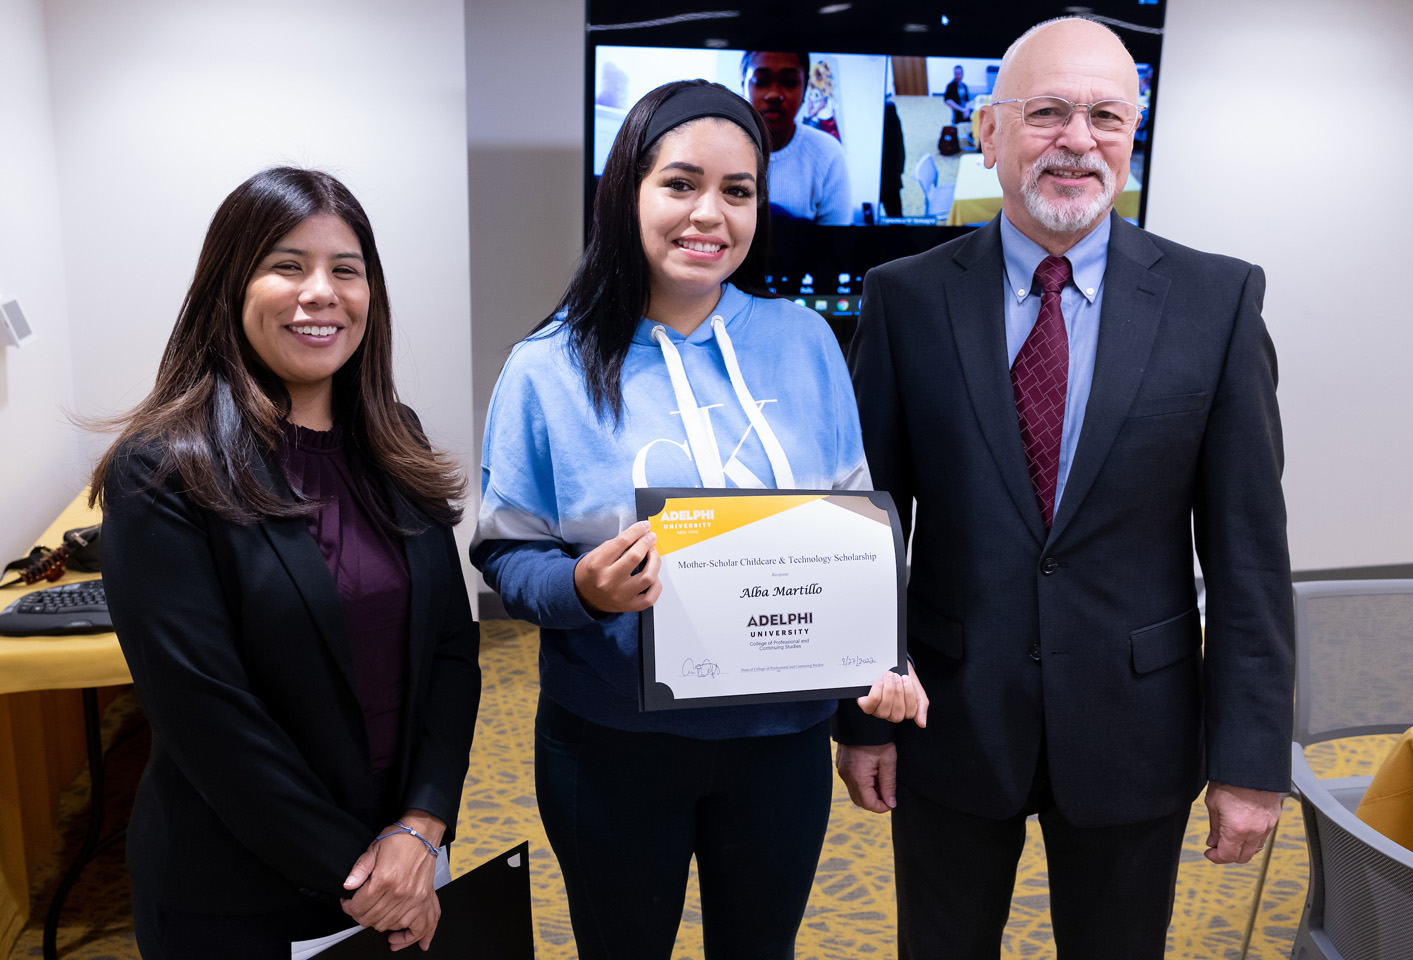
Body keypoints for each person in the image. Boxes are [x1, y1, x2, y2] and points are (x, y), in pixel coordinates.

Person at [835, 18, 1293, 960]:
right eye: (1047, 113)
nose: (1078, 140)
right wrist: (859, 713)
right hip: (948, 719)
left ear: (1131, 137)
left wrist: (1250, 761)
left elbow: (1250, 555)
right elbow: (868, 527)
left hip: (1139, 729)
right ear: (991, 135)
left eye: (1104, 116)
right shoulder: (905, 300)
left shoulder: (1218, 302)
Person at [472, 79, 925, 959]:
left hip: (780, 745)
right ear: (627, 193)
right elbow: (505, 554)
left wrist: (883, 662)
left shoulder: (806, 343)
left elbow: (858, 533)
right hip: (614, 740)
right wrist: (583, 588)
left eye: (737, 190)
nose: (708, 213)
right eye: (680, 184)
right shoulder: (546, 368)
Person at [93, 168, 481, 958]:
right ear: (230, 285)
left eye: (346, 269)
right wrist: (364, 875)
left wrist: (421, 825)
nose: (321, 293)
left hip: (402, 855)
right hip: (240, 890)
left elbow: (450, 648)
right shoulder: (163, 469)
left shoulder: (392, 438)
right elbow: (210, 721)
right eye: (286, 265)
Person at [741, 50, 852, 225]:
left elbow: (835, 245)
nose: (774, 95)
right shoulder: (717, 149)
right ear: (743, 85)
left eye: (789, 82)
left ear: (805, 88)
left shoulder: (829, 154)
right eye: (761, 81)